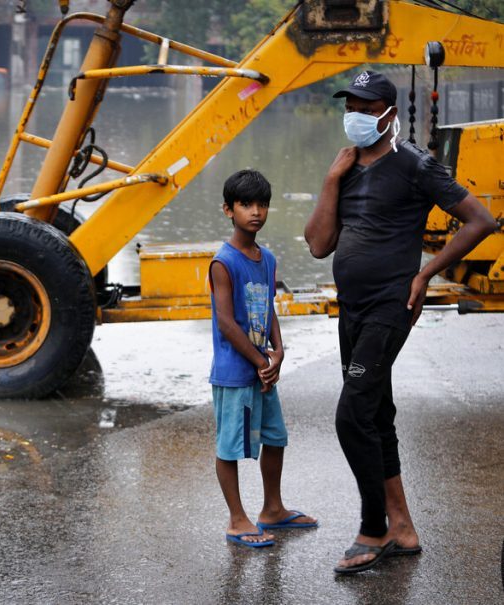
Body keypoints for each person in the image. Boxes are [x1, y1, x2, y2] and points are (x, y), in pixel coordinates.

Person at [304, 70, 497, 574]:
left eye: (366, 108)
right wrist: (330, 179)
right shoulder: (343, 168)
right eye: (351, 106)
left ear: (388, 113)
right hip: (353, 307)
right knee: (374, 414)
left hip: (392, 305)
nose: (356, 116)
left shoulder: (414, 163)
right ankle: (404, 528)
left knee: (351, 415)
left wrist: (427, 273)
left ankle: (374, 530)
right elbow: (319, 244)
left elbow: (481, 220)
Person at [209, 169, 318, 548]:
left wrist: (279, 349)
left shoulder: (266, 258)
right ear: (228, 210)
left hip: (262, 368)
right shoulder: (224, 262)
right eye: (245, 205)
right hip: (236, 372)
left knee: (274, 438)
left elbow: (267, 307)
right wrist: (259, 360)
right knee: (230, 445)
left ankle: (273, 508)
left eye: (262, 204)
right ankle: (237, 519)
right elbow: (226, 321)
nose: (255, 212)